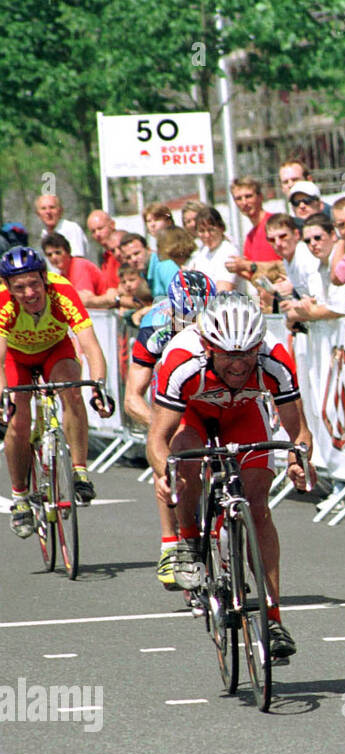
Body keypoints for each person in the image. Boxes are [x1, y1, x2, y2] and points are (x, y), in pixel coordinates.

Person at [148, 293, 313, 662]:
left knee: (258, 508)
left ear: (259, 346)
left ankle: (272, 620)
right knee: (184, 462)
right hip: (194, 414)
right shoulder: (182, 361)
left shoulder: (274, 360)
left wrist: (298, 459)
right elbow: (157, 438)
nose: (239, 365)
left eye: (247, 355)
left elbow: (298, 428)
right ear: (208, 347)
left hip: (243, 416)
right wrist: (165, 474)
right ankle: (189, 541)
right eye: (228, 356)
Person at [1, 246, 111, 536]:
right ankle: (21, 497)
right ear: (8, 288)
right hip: (15, 358)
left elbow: (90, 345)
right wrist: (4, 399)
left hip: (55, 350)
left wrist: (99, 387)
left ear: (45, 280)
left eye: (35, 284)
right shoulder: (2, 303)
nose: (29, 293)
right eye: (20, 287)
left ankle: (79, 471)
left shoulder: (62, 292)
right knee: (18, 419)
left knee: (73, 390)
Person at [124, 271, 215, 588]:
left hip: (211, 390)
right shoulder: (156, 325)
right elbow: (132, 396)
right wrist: (159, 428)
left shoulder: (223, 317)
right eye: (187, 318)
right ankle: (169, 543)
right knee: (167, 452)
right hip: (171, 397)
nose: (195, 326)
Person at [280, 215, 345, 323]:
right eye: (307, 241)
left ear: (333, 235)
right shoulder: (320, 264)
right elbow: (321, 303)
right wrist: (301, 306)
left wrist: (306, 312)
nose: (313, 244)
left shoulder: (343, 256)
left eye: (317, 238)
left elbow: (341, 308)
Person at [41, 231, 105, 305]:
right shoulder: (62, 275)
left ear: (68, 251)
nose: (54, 257)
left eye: (58, 252)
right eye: (49, 255)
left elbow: (85, 298)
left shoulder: (79, 265)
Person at [227, 177, 279, 264]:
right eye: (239, 199)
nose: (244, 202)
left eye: (248, 196)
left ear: (260, 197)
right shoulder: (250, 237)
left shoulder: (275, 224)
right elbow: (253, 274)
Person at [186, 205, 239, 292]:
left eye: (211, 230)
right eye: (202, 231)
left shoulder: (229, 252)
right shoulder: (200, 253)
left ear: (222, 228)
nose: (207, 235)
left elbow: (223, 292)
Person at [119, 232, 181, 303]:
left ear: (148, 249)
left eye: (137, 253)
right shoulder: (144, 271)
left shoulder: (164, 265)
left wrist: (148, 309)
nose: (134, 259)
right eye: (128, 257)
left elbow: (179, 300)